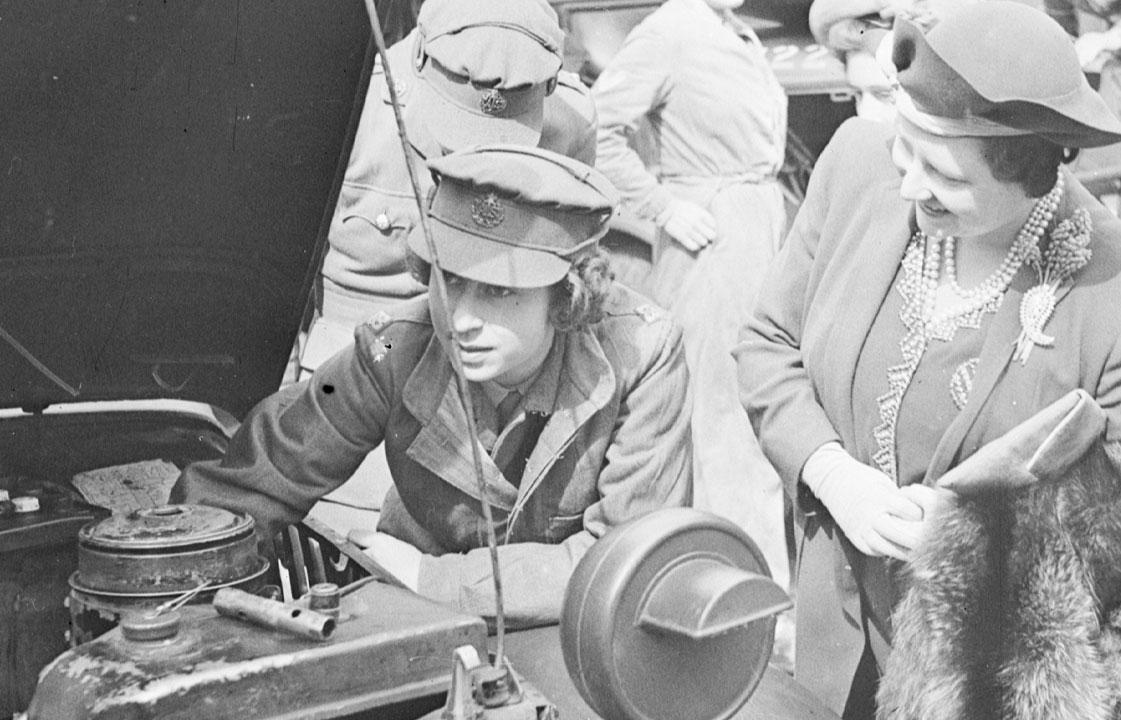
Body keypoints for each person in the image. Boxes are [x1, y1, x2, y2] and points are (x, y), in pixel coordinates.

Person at [735, 2, 1121, 717]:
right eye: (903, 148)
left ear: (1029, 175)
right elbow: (766, 343)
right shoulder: (855, 161)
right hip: (832, 647)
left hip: (979, 677)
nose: (907, 186)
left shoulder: (1105, 283)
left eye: (941, 175)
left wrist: (959, 533)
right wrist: (829, 471)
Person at [172, 145, 694, 629]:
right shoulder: (393, 349)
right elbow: (256, 481)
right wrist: (174, 580)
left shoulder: (642, 354)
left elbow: (627, 562)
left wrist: (431, 581)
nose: (461, 318)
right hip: (418, 619)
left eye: (498, 291)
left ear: (567, 296)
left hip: (570, 626)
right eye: (451, 280)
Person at [590, 0, 791, 607]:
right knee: (718, 417)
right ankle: (731, 597)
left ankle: (749, 592)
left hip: (757, 232)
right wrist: (662, 206)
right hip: (712, 246)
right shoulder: (672, 29)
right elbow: (597, 127)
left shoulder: (734, 32)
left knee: (753, 405)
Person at [302, 0, 596, 376]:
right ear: (423, 59)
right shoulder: (355, 102)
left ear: (549, 82)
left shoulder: (572, 123)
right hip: (374, 347)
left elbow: (574, 270)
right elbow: (278, 276)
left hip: (496, 364)